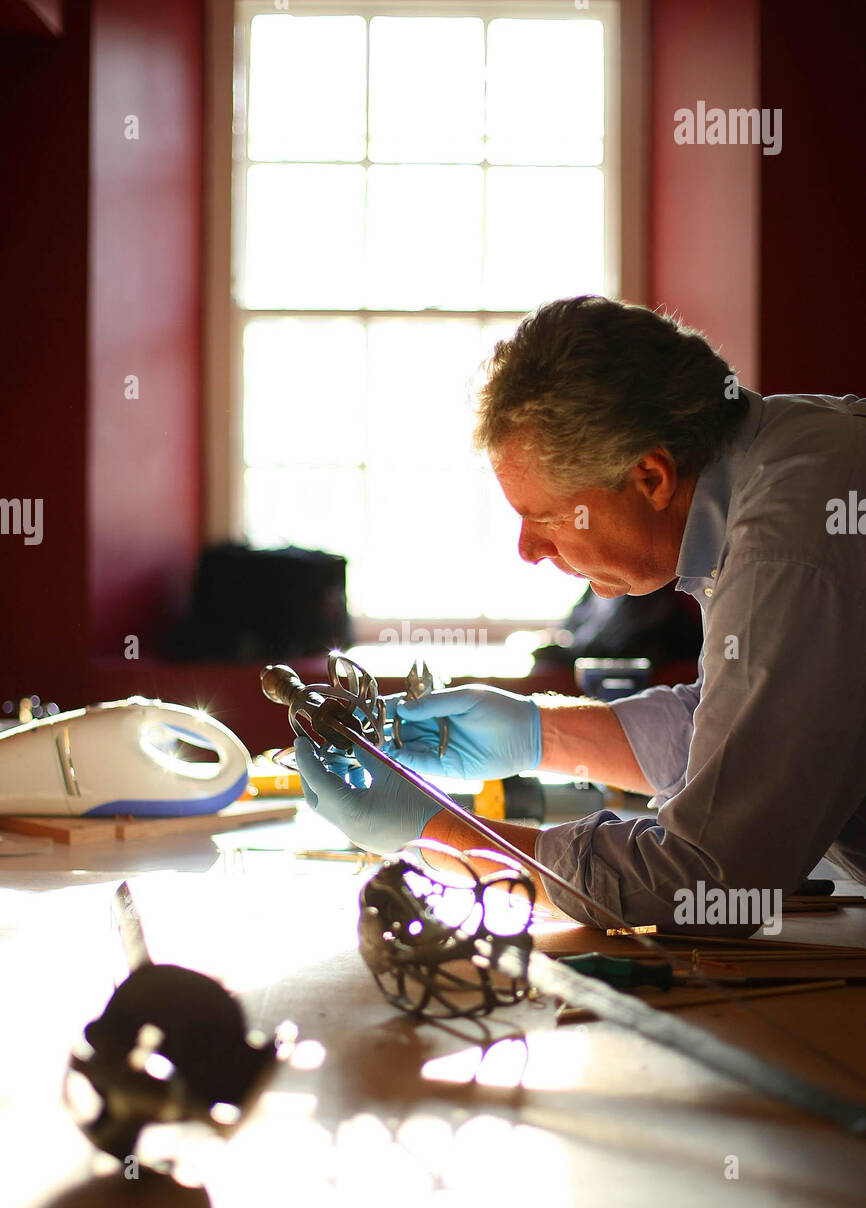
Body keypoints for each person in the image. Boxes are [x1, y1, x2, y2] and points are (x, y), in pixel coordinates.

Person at [294, 296, 866, 933]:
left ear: (651, 477)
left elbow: (706, 884)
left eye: (543, 518)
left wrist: (440, 834)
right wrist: (540, 733)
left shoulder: (789, 543)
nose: (529, 550)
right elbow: (753, 737)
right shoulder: (783, 464)